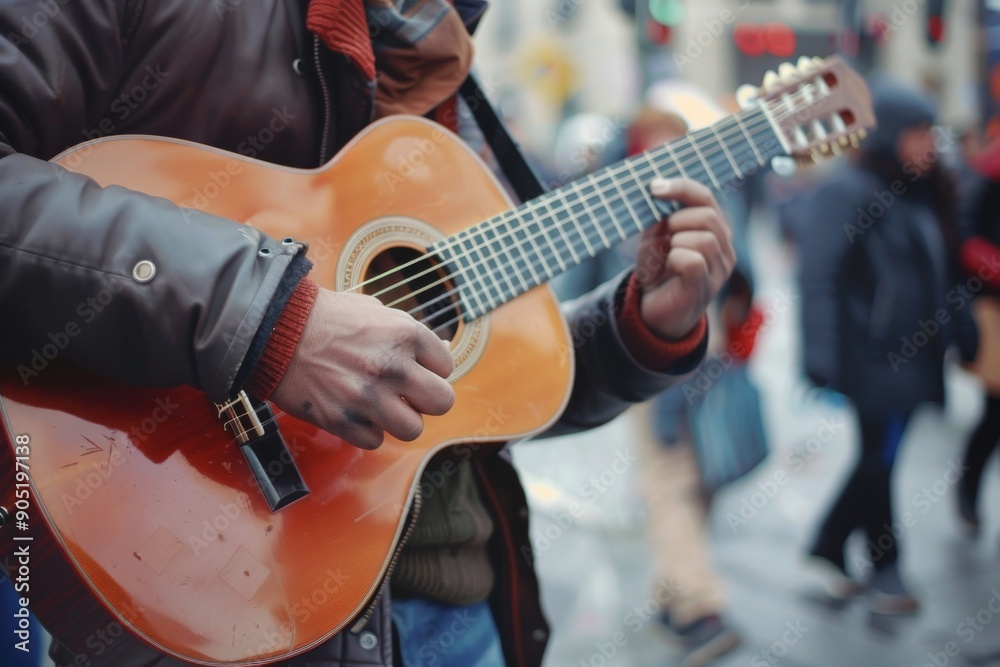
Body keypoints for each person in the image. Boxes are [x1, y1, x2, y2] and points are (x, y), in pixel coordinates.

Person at [0, 2, 735, 666]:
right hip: (237, 603)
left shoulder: (439, 50)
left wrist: (642, 327)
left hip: (465, 616)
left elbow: (476, 382)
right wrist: (268, 322)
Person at [798, 76, 978, 615]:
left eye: (932, 132)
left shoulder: (924, 193)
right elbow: (820, 276)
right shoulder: (845, 192)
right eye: (918, 132)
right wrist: (820, 355)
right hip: (870, 358)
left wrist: (963, 331)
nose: (930, 144)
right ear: (889, 134)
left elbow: (942, 274)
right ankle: (886, 566)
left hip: (915, 355)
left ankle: (829, 545)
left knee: (880, 458)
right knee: (880, 459)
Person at [956, 140, 1000, 533]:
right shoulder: (990, 168)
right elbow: (967, 237)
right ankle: (968, 489)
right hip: (995, 306)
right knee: (995, 412)